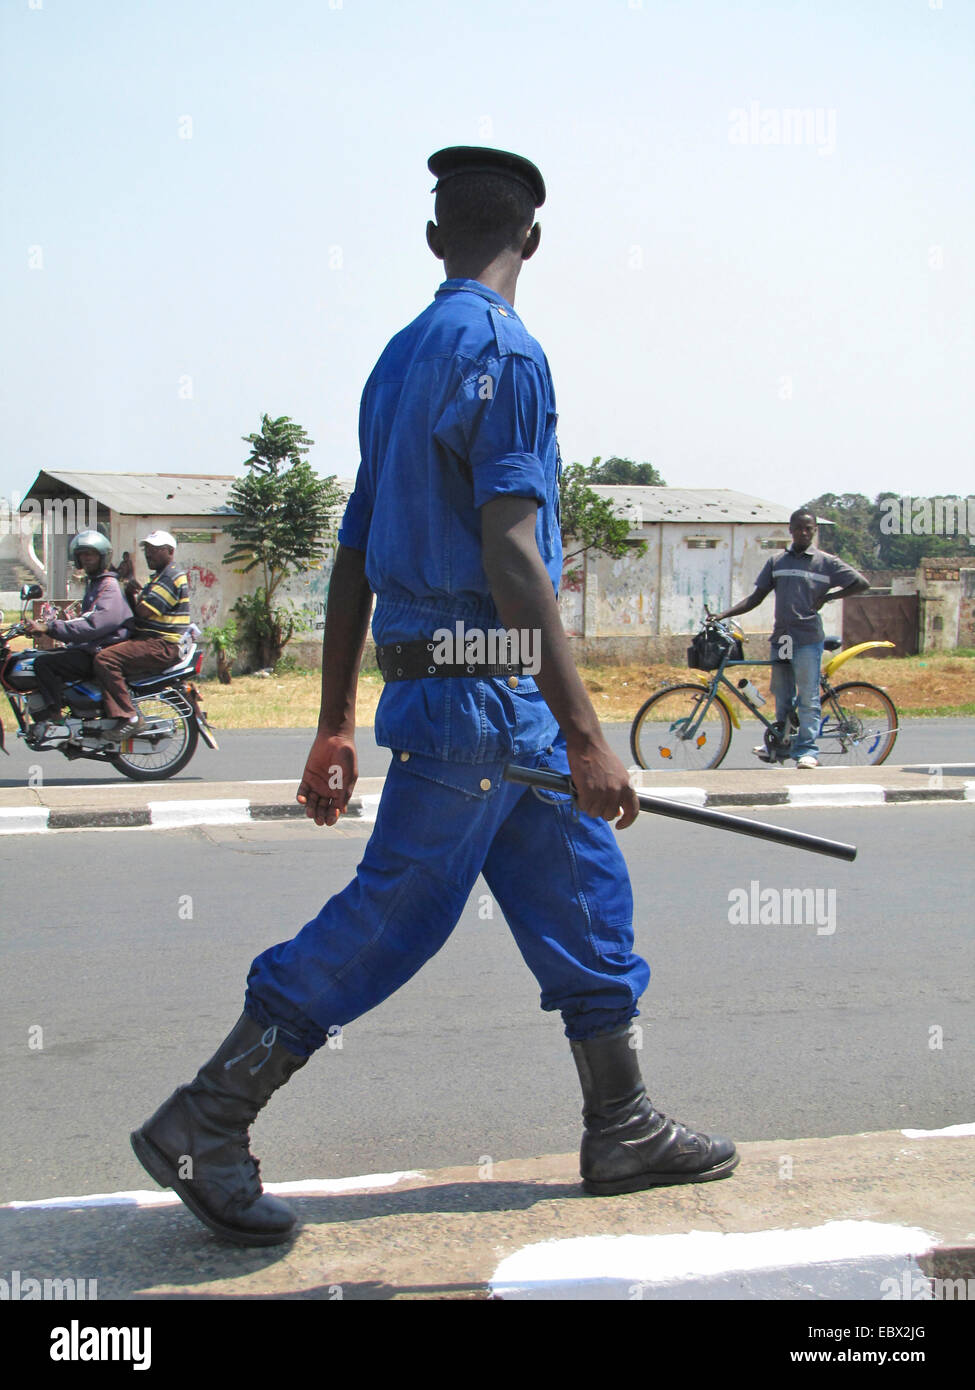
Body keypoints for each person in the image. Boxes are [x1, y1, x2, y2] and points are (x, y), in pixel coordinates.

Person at [130, 146, 738, 1248]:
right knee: (396, 918)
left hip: (461, 694)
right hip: (487, 701)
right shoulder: (508, 352)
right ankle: (204, 1118)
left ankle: (624, 1121)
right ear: (534, 240)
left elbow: (355, 547)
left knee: (583, 892)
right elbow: (514, 555)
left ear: (433, 238)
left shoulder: (401, 355)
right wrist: (589, 733)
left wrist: (330, 721)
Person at [712, 509, 869, 767]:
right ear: (790, 530)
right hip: (782, 640)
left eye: (809, 528)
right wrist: (723, 614)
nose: (804, 532)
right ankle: (782, 744)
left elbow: (861, 583)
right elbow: (755, 598)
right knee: (783, 695)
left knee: (808, 697)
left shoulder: (826, 562)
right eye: (799, 528)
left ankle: (808, 750)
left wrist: (828, 597)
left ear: (815, 530)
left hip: (807, 638)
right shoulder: (777, 562)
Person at [23, 530, 132, 741]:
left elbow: (92, 624)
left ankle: (54, 720)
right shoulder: (95, 583)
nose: (86, 559)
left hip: (104, 648)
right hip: (92, 647)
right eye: (82, 555)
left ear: (103, 556)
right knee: (41, 657)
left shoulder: (108, 587)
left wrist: (49, 628)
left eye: (91, 554)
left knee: (44, 664)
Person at [92, 531, 190, 736]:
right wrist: (129, 586)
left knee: (106, 659)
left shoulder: (171, 577)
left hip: (161, 644)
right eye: (147, 549)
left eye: (155, 550)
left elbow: (143, 612)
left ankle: (129, 716)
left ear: (170, 552)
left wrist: (129, 585)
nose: (149, 554)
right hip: (152, 641)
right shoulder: (159, 578)